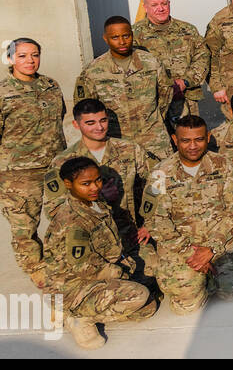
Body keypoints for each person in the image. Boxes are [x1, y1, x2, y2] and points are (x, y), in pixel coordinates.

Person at [0, 38, 67, 288]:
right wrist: (15, 153)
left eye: (34, 55)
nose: (30, 61)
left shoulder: (51, 86)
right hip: (17, 174)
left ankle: (62, 260)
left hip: (54, 167)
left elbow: (60, 118)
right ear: (12, 58)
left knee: (64, 216)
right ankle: (36, 267)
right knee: (24, 225)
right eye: (23, 55)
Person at [140, 115, 233, 314]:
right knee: (186, 307)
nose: (193, 146)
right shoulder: (160, 174)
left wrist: (211, 248)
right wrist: (190, 253)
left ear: (208, 137)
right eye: (185, 140)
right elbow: (156, 221)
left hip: (218, 242)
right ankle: (163, 267)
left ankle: (211, 278)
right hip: (181, 247)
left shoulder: (224, 165)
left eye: (199, 139)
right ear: (175, 140)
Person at [43, 157, 158, 349]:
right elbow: (83, 268)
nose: (95, 187)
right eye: (85, 184)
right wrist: (122, 274)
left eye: (97, 180)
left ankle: (89, 309)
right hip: (74, 285)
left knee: (147, 308)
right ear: (68, 184)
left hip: (103, 269)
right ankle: (77, 317)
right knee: (139, 295)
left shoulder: (96, 202)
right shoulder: (72, 220)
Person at [44, 99, 155, 279]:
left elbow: (156, 186)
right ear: (76, 124)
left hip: (132, 236)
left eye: (103, 120)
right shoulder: (62, 162)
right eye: (90, 123)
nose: (99, 127)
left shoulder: (130, 149)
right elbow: (54, 211)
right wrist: (94, 199)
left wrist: (150, 224)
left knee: (157, 274)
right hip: (95, 244)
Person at [75, 16, 173, 160]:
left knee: (160, 180)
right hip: (116, 142)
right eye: (115, 37)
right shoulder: (93, 71)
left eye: (126, 36)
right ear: (105, 38)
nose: (121, 42)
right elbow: (85, 108)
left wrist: (151, 121)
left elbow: (166, 95)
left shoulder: (151, 62)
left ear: (132, 35)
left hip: (154, 141)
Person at [132, 0, 209, 118]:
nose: (161, 8)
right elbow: (131, 66)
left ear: (169, 3)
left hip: (186, 97)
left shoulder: (188, 30)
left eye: (164, 3)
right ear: (145, 7)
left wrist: (185, 82)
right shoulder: (135, 34)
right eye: (154, 5)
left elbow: (203, 57)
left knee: (188, 136)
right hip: (152, 101)